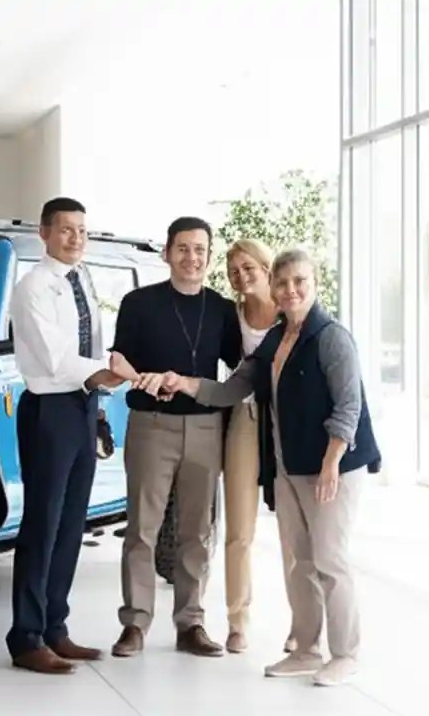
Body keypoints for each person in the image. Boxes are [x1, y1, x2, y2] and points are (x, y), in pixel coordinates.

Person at [136, 248, 380, 687]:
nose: (290, 291)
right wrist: (185, 382)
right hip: (288, 468)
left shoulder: (331, 336)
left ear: (315, 283)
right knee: (300, 562)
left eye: (299, 282)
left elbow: (349, 406)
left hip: (332, 468)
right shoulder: (277, 338)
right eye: (283, 284)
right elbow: (234, 389)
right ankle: (306, 650)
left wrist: (330, 463)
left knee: (330, 559)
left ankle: (345, 654)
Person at [6, 196, 137, 675]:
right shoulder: (33, 288)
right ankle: (25, 638)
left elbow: (91, 349)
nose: (76, 238)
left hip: (82, 407)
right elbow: (57, 359)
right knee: (42, 524)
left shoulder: (82, 279)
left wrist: (100, 393)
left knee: (71, 524)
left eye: (82, 230)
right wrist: (110, 371)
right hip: (49, 409)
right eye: (65, 229)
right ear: (44, 233)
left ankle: (55, 628)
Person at [107, 217, 240, 658]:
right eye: (182, 248)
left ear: (208, 256)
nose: (191, 258)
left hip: (205, 427)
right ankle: (136, 624)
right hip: (152, 426)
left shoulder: (221, 309)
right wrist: (141, 378)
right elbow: (118, 358)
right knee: (142, 531)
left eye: (200, 250)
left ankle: (191, 624)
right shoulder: (139, 303)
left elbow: (242, 364)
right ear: (167, 253)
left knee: (196, 532)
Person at [219, 239, 298, 655]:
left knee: (292, 530)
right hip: (245, 419)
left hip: (288, 424)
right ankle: (237, 621)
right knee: (239, 529)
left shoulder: (291, 313)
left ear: (266, 268)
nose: (241, 276)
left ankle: (301, 623)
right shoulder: (231, 317)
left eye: (248, 267)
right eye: (233, 271)